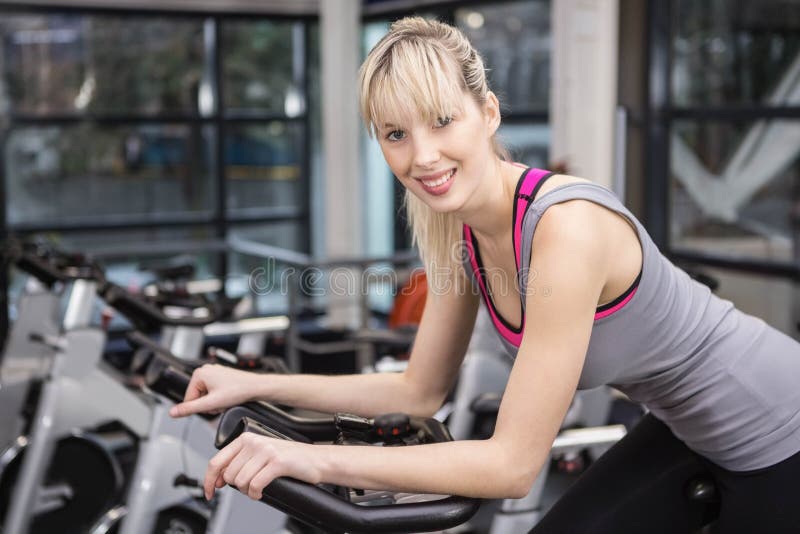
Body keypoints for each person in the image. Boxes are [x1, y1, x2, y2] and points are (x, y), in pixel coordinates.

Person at [170, 17, 800, 533]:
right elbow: (418, 391)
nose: (423, 156)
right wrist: (254, 386)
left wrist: (309, 459)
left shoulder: (566, 228)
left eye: (443, 120)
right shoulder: (460, 232)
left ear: (489, 113)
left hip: (781, 427)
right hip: (687, 426)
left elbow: (512, 466)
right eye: (396, 134)